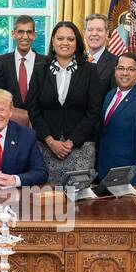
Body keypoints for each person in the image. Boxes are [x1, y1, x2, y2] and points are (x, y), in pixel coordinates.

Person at [27, 20, 100, 182]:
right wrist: (50, 141)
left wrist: (71, 141)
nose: (65, 43)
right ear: (53, 42)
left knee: (79, 202)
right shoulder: (40, 70)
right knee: (48, 202)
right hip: (47, 148)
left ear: (77, 43)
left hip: (80, 148)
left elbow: (93, 111)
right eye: (60, 39)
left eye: (70, 39)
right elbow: (33, 109)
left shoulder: (90, 71)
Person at [96, 54, 136, 191]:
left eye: (131, 69)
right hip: (105, 172)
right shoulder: (110, 95)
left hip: (129, 180)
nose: (125, 73)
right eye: (121, 68)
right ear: (115, 71)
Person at [0, 15, 46, 107]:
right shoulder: (0, 63)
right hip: (9, 118)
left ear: (34, 35)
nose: (25, 36)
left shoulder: (46, 63)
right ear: (13, 34)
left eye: (29, 32)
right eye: (20, 32)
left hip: (38, 119)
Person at [83, 13, 117, 94]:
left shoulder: (116, 62)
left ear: (107, 34)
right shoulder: (76, 60)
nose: (94, 34)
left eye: (99, 30)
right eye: (90, 30)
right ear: (84, 33)